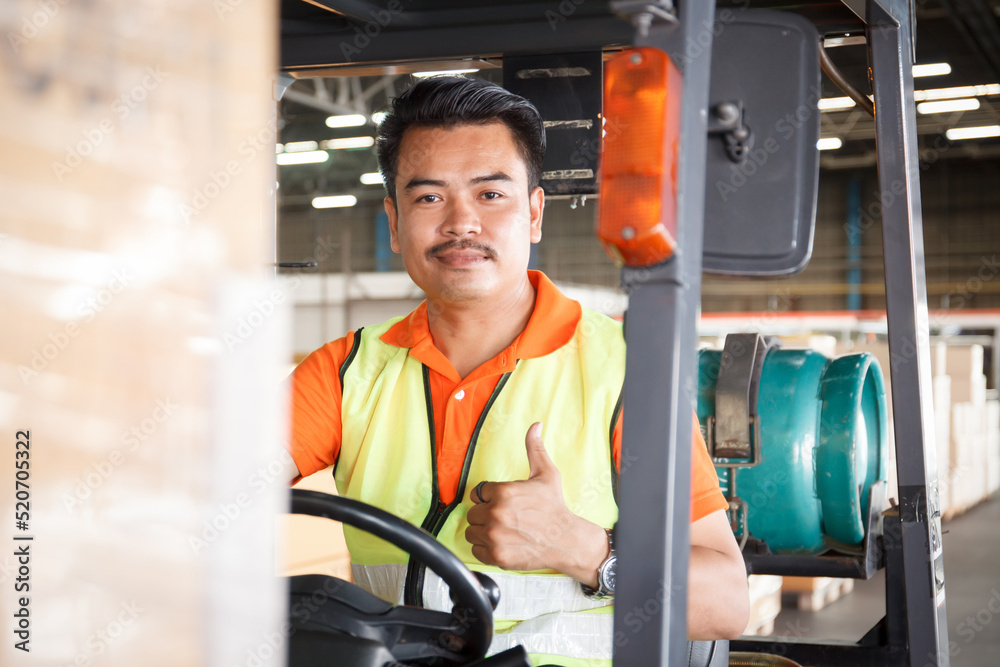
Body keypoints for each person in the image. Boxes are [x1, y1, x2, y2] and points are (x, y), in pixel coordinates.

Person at [288, 76, 749, 666]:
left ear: (534, 212)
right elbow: (214, 487)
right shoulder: (347, 370)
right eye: (428, 197)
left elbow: (726, 601)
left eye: (490, 194)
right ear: (395, 221)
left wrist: (583, 550)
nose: (461, 223)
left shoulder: (624, 371)